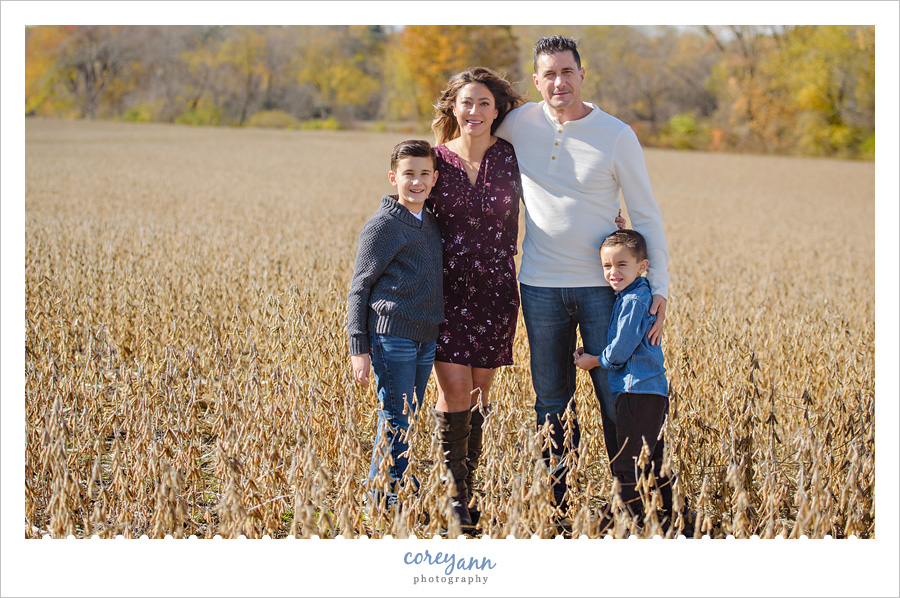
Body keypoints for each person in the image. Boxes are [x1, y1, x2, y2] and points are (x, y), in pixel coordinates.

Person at [494, 35, 670, 513]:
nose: (559, 82)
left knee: (617, 398)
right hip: (539, 287)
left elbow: (645, 213)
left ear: (582, 75)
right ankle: (559, 506)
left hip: (602, 290)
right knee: (551, 402)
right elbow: (471, 132)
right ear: (536, 81)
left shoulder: (616, 135)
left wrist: (659, 287)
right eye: (549, 74)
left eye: (567, 72)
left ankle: (634, 504)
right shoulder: (519, 123)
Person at [426, 67, 526, 529]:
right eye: (467, 102)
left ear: (497, 109)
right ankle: (453, 497)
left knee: (480, 396)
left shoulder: (512, 156)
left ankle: (466, 489)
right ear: (454, 107)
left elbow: (559, 193)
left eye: (484, 103)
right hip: (444, 291)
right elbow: (406, 210)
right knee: (455, 391)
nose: (475, 111)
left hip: (496, 291)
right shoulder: (434, 160)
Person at [347, 139, 443, 509]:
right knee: (395, 416)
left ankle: (393, 486)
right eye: (408, 174)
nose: (416, 182)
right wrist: (359, 348)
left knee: (408, 416)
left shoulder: (429, 221)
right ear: (393, 178)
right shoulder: (382, 226)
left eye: (424, 174)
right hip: (392, 337)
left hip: (425, 336)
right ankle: (387, 496)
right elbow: (360, 287)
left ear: (434, 178)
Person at [573, 229, 675, 523]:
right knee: (654, 458)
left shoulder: (634, 301)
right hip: (651, 391)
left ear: (642, 266)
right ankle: (674, 513)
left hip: (635, 391)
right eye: (607, 265)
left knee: (626, 460)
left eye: (622, 264)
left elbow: (621, 349)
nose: (613, 272)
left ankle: (627, 514)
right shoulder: (632, 296)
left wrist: (594, 360)